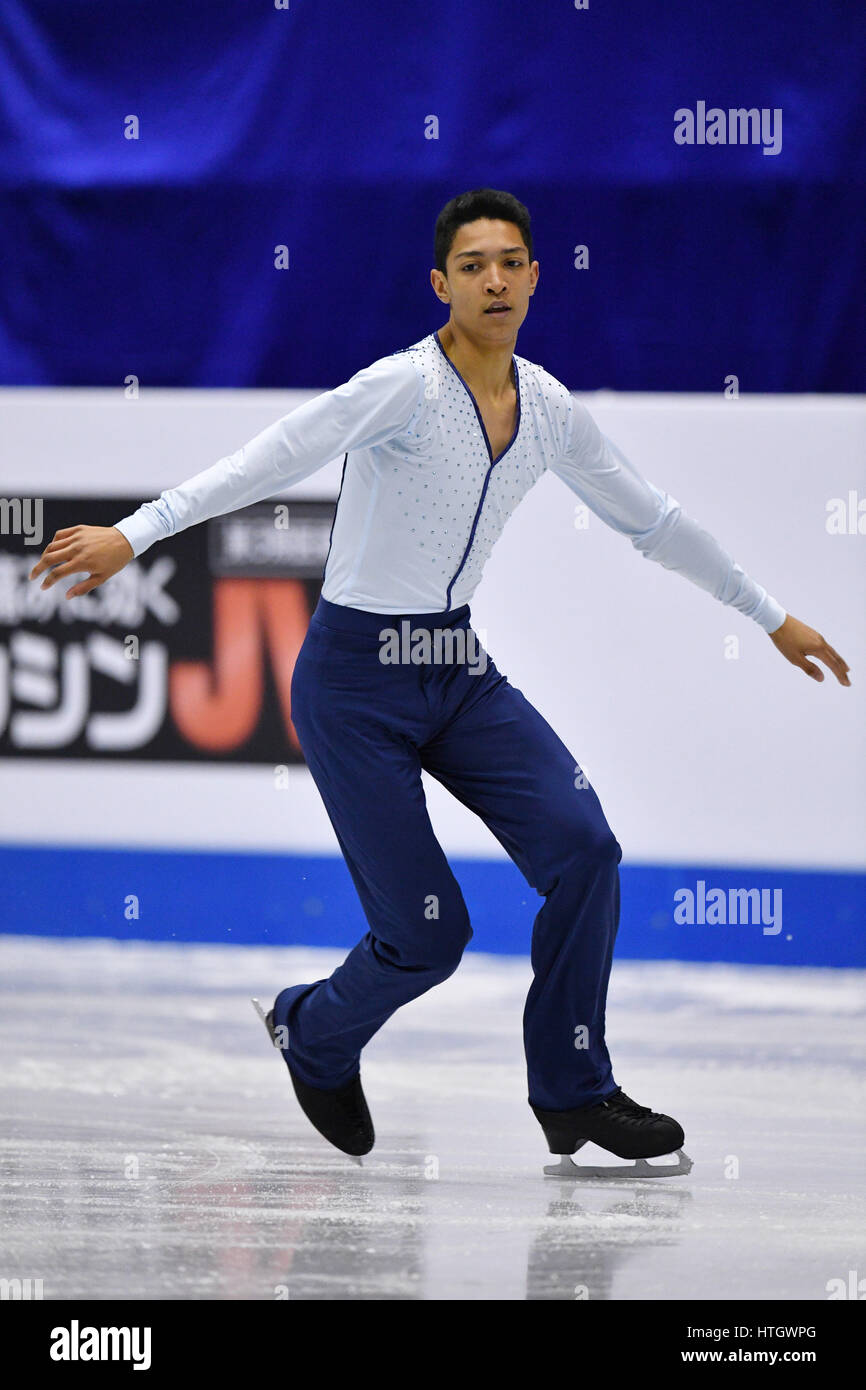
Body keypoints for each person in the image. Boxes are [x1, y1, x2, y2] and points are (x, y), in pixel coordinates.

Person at [29, 188, 851, 1174]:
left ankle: (572, 1089)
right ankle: (312, 1030)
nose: (494, 279)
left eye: (510, 261)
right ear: (440, 283)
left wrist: (767, 615)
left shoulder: (546, 410)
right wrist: (139, 529)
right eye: (472, 265)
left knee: (584, 850)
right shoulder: (402, 386)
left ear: (536, 277)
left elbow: (655, 522)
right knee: (428, 934)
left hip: (453, 668)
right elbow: (275, 454)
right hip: (352, 683)